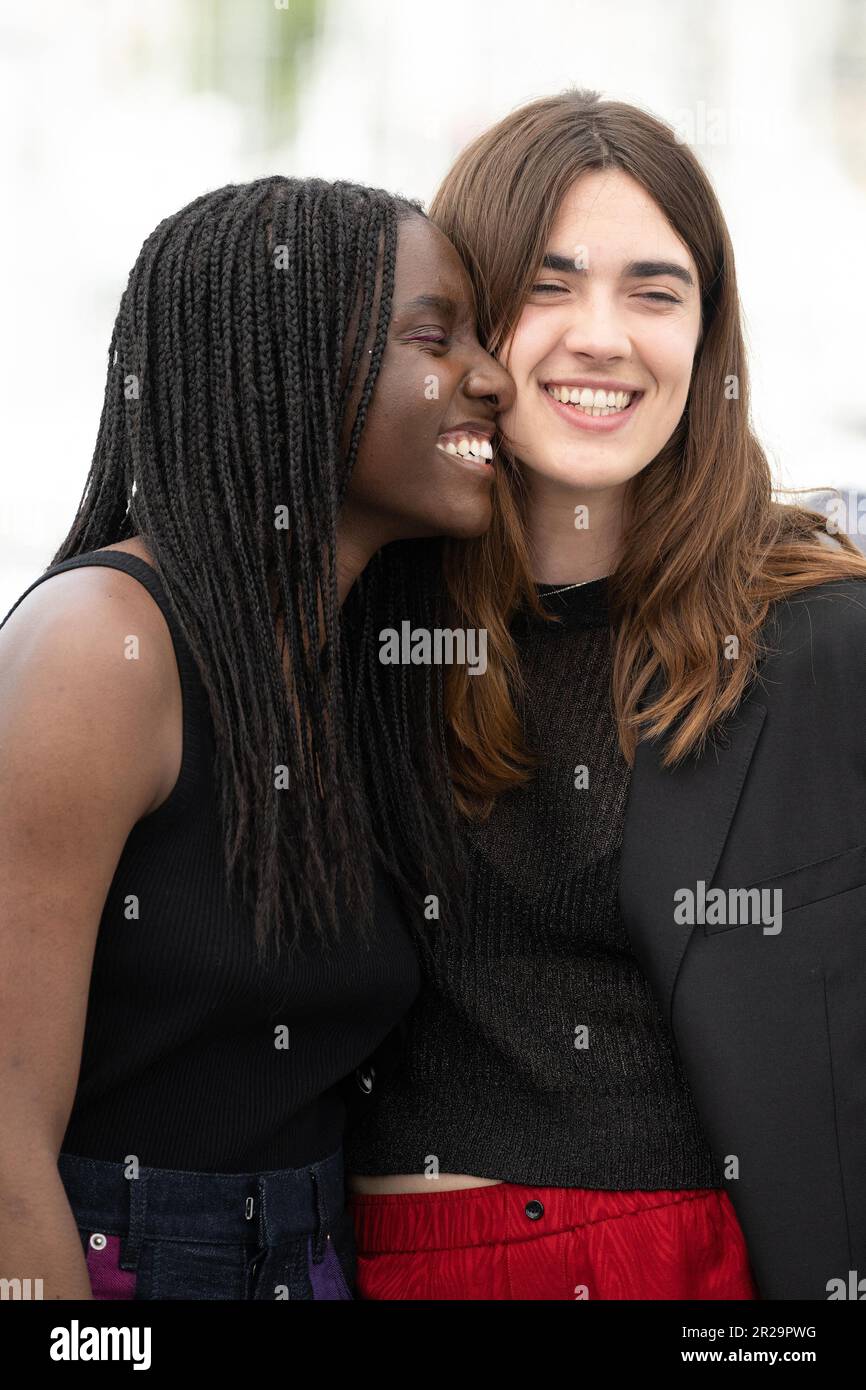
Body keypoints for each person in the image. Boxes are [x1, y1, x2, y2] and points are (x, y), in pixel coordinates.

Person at [344, 91, 866, 1301]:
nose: (601, 336)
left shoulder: (817, 633)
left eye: (653, 290)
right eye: (547, 283)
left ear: (705, 333)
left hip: (684, 1271)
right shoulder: (361, 619)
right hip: (370, 1266)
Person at [0, 175, 513, 1300]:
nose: (491, 375)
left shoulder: (349, 659)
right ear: (279, 364)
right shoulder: (105, 645)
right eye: (435, 336)